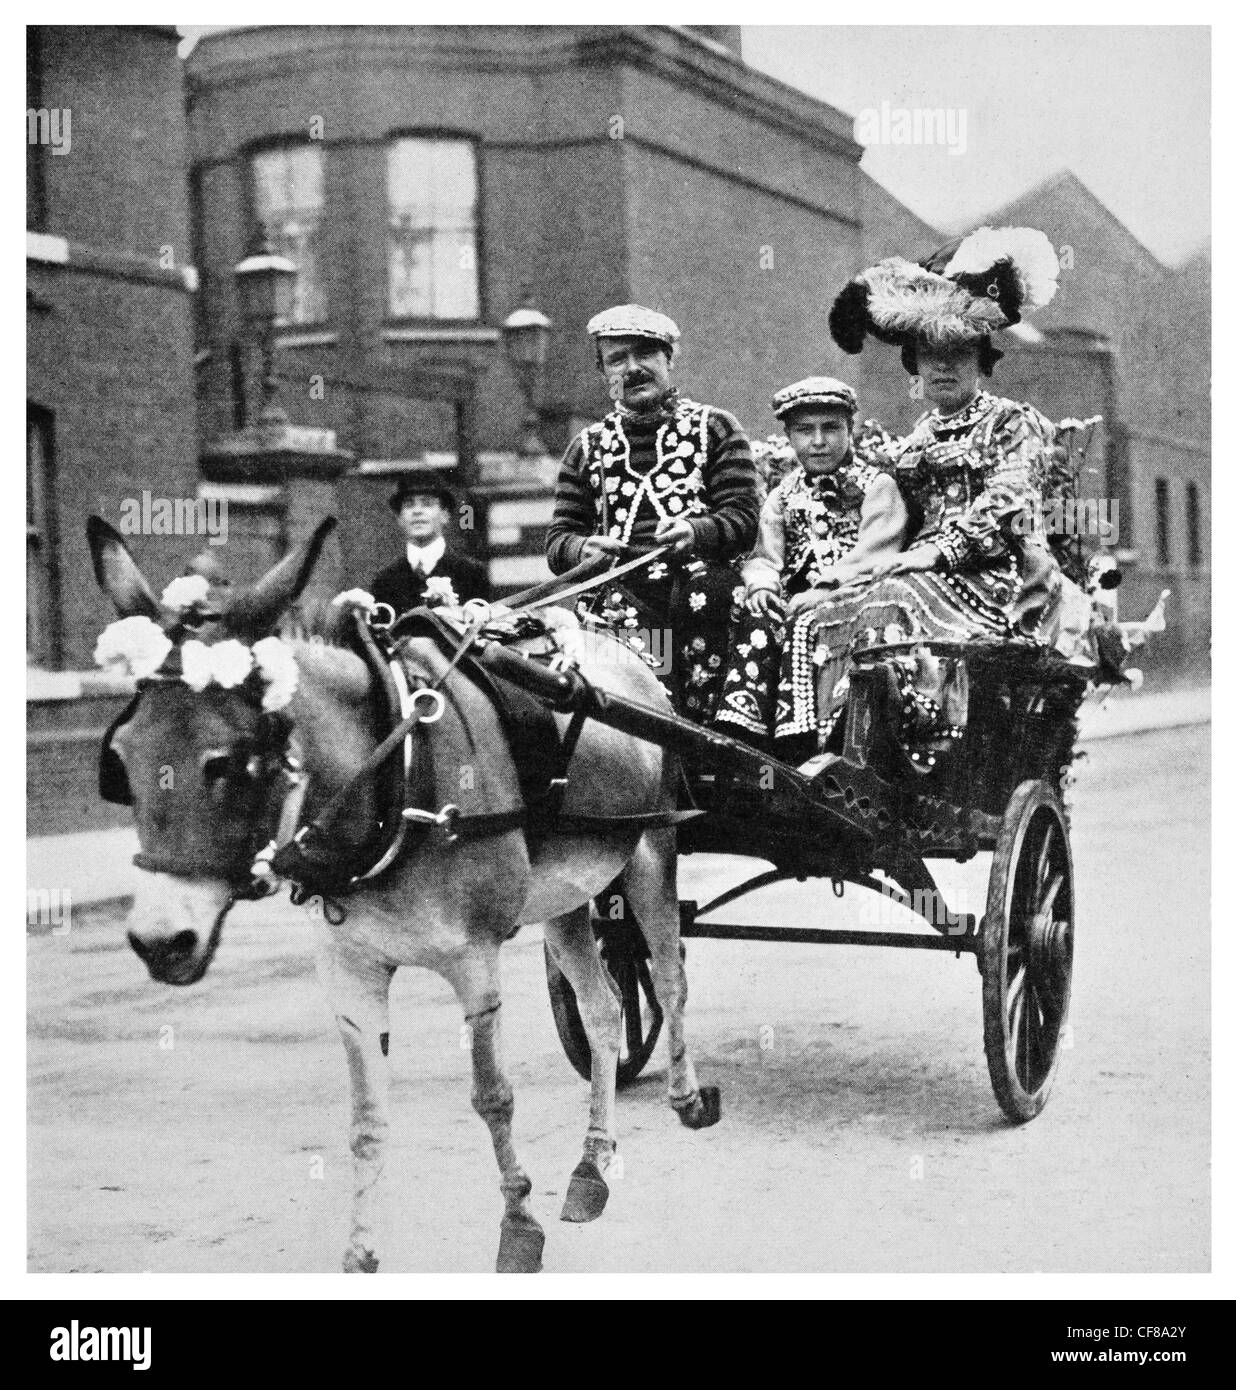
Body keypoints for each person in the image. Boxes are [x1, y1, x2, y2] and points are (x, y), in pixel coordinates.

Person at [814, 225, 1066, 765]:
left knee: (893, 603)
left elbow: (1011, 501)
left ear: (981, 357)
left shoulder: (1014, 423)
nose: (944, 365)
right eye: (930, 352)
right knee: (826, 610)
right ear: (914, 364)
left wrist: (939, 550)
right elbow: (877, 507)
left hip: (997, 576)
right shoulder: (913, 443)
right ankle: (830, 750)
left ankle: (915, 746)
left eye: (958, 350)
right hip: (917, 570)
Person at [545, 304, 758, 720]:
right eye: (617, 360)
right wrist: (583, 548)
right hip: (623, 603)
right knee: (642, 718)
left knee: (709, 607)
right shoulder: (585, 448)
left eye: (645, 354)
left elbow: (745, 518)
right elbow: (558, 542)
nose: (633, 368)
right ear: (604, 374)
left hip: (704, 596)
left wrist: (697, 533)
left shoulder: (716, 427)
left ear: (669, 358)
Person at [712, 377, 907, 759]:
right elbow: (765, 556)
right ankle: (744, 735)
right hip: (796, 600)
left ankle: (805, 742)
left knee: (808, 625)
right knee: (756, 619)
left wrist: (825, 587)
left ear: (850, 429)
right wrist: (763, 587)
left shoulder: (877, 485)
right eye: (805, 430)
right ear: (788, 436)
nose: (818, 441)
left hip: (857, 594)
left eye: (831, 428)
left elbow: (876, 550)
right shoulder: (783, 495)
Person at [370, 471, 490, 617]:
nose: (417, 511)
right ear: (400, 518)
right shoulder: (385, 581)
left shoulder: (472, 573)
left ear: (444, 515)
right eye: (409, 505)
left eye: (427, 504)